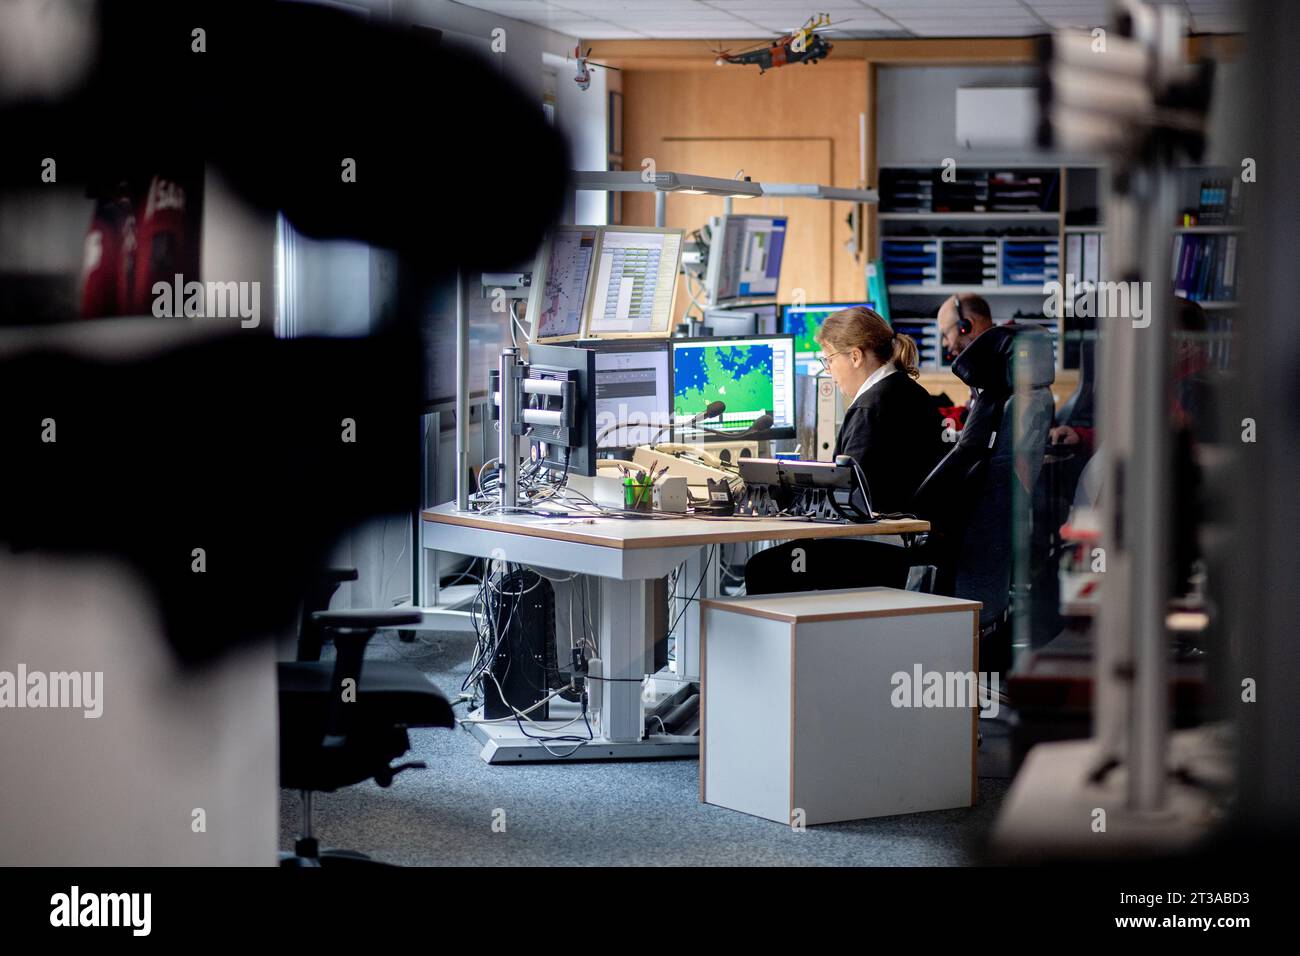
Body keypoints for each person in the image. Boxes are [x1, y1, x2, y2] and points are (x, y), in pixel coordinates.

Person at [815, 306, 944, 514]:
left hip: (881, 536)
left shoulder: (869, 409)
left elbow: (847, 499)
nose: (828, 371)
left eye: (830, 360)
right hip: (917, 530)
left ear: (855, 357)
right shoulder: (911, 391)